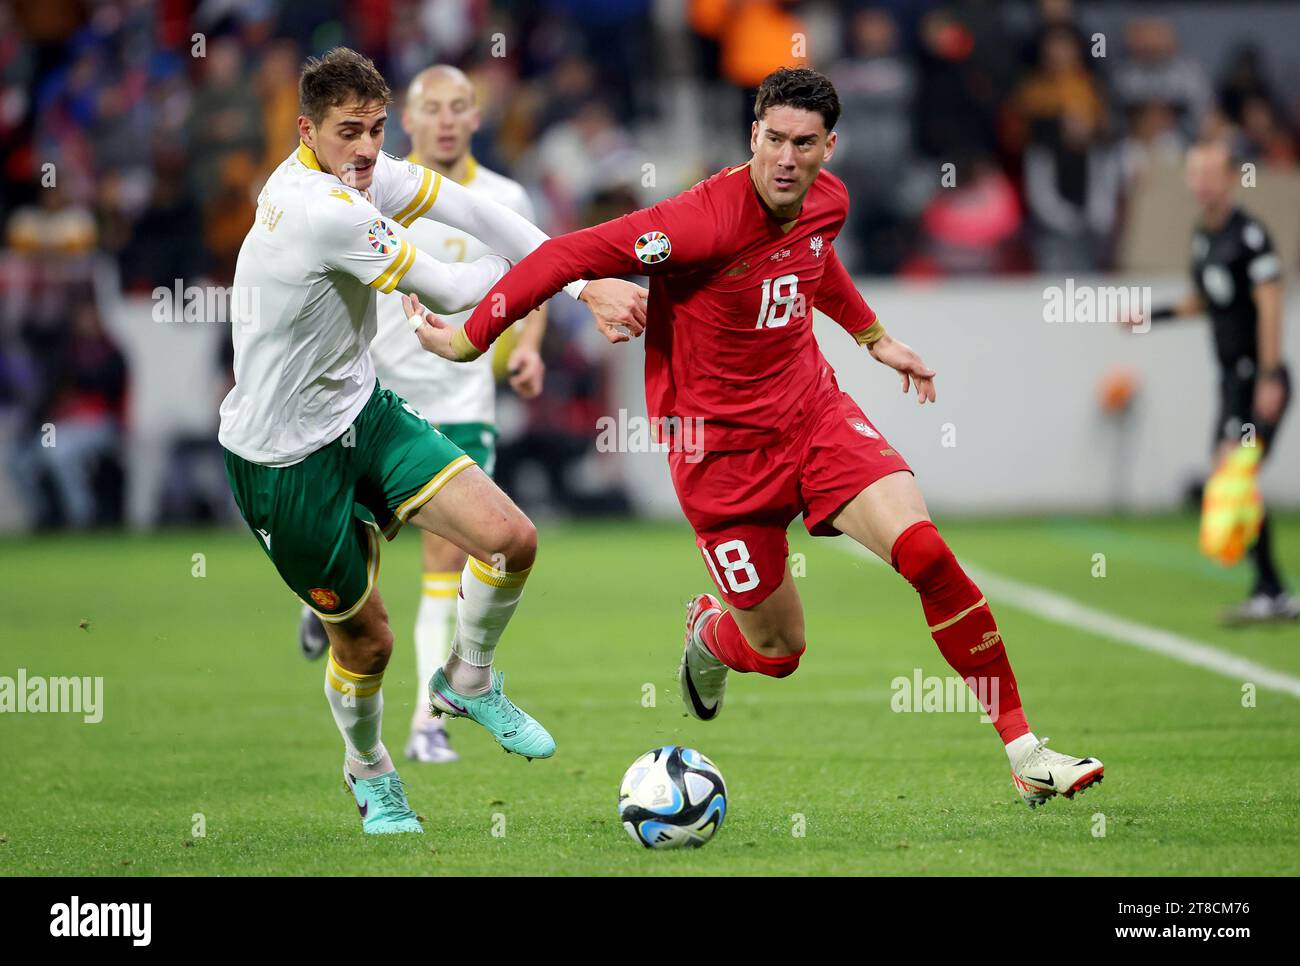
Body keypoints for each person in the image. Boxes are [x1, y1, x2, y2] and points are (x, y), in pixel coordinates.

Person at [404, 67, 1104, 809]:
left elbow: (813, 263)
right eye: (773, 139)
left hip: (812, 418)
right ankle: (710, 636)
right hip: (719, 461)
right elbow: (561, 256)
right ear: (753, 136)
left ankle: (1025, 750)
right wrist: (470, 341)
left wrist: (873, 337)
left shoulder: (827, 200)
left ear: (828, 147)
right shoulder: (697, 222)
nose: (786, 159)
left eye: (804, 143)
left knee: (925, 550)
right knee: (778, 653)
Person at [218, 48, 644, 834]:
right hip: (281, 461)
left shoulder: (360, 175)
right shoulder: (320, 208)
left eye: (378, 129)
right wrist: (563, 278)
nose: (368, 148)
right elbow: (452, 287)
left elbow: (473, 209)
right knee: (368, 645)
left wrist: (578, 283)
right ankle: (370, 769)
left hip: (362, 414)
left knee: (511, 538)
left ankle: (470, 678)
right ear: (305, 130)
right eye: (350, 132)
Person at [298, 64, 551, 767]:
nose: (445, 119)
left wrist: (528, 346)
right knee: (355, 579)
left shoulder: (504, 196)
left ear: (476, 119)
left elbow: (536, 280)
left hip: (464, 402)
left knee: (456, 557)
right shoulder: (359, 187)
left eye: (459, 108)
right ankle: (330, 592)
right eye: (431, 107)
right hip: (377, 400)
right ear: (409, 120)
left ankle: (426, 722)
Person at [1128, 140, 1295, 623]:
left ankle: (1271, 590)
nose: (1200, 182)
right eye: (1194, 172)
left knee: (1233, 475)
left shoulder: (1250, 237)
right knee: (1233, 479)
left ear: (1231, 178)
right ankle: (1271, 589)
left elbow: (1270, 304)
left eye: (1210, 172)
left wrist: (1269, 374)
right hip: (1231, 382)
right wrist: (1152, 316)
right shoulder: (1205, 235)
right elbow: (1205, 299)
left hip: (1256, 377)